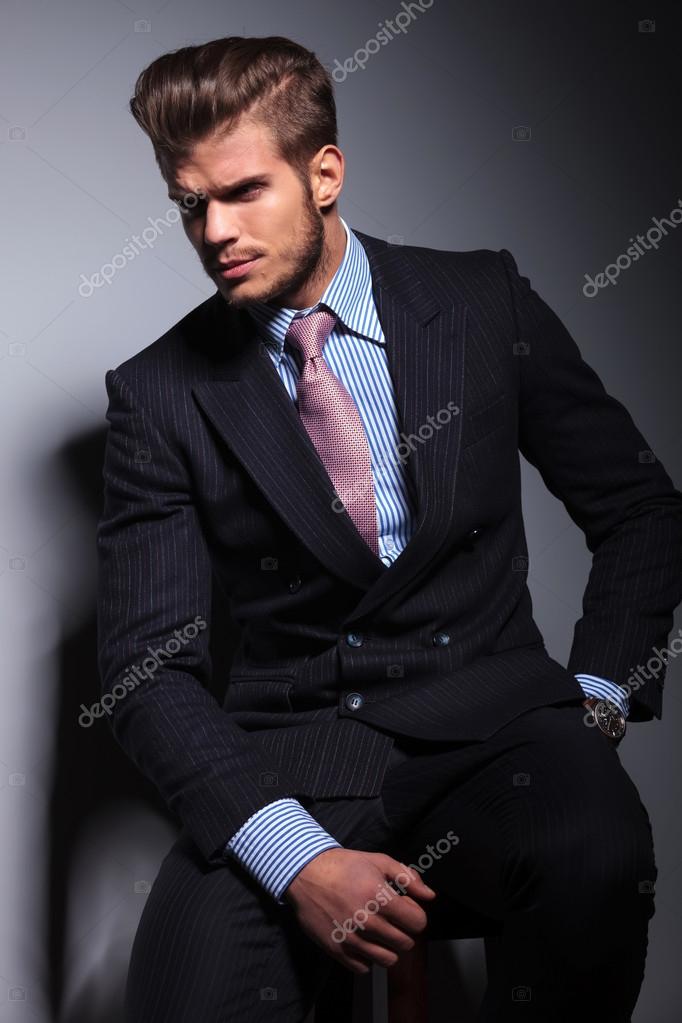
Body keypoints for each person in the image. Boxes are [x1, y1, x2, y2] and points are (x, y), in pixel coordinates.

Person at [96, 34, 682, 1022]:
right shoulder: (159, 392)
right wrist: (298, 858)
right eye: (190, 205)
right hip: (293, 761)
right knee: (184, 998)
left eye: (243, 193)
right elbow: (148, 671)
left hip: (499, 728)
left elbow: (638, 510)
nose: (214, 232)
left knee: (597, 856)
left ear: (323, 174)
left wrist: (597, 697)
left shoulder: (479, 301)